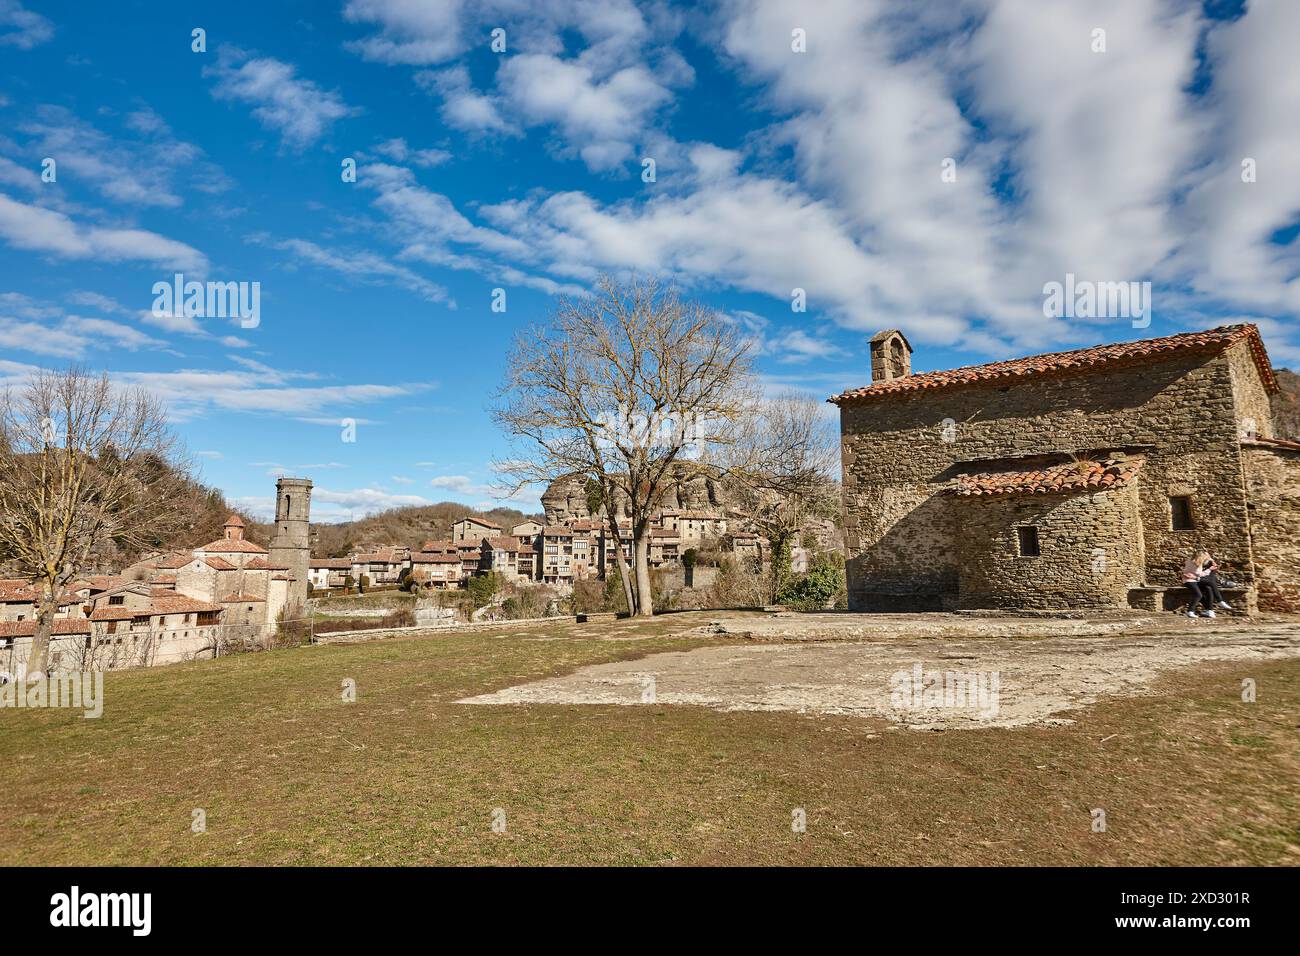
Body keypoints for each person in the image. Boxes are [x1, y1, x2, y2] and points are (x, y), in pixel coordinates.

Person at [1181, 550, 1215, 618]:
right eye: (1203, 557)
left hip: (1194, 580)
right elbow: (1200, 574)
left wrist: (1211, 559)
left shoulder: (1190, 560)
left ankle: (1209, 610)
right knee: (1198, 594)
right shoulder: (1196, 564)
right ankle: (1190, 611)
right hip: (1189, 580)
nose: (1205, 558)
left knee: (1208, 589)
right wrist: (1209, 569)